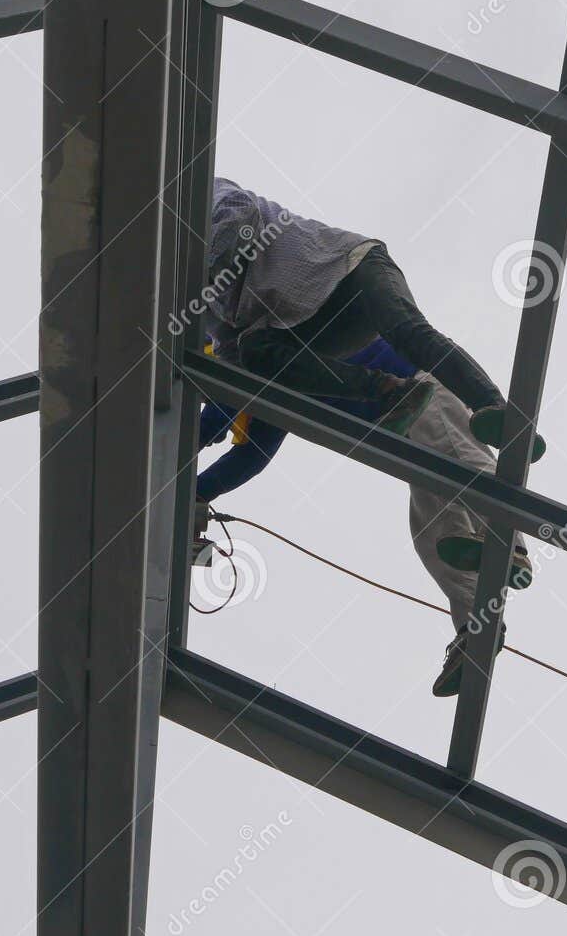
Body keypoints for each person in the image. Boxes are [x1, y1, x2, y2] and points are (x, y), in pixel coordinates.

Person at [193, 336, 531, 698]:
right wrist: (196, 491)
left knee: (463, 465)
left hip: (420, 389)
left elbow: (218, 406)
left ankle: (511, 542)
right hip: (400, 425)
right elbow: (252, 455)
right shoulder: (266, 391)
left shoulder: (247, 353)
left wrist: (177, 470)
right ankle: (475, 623)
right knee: (434, 532)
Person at [204, 177, 546, 460]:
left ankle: (495, 408)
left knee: (407, 330)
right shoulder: (203, 305)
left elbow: (238, 212)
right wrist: (215, 410)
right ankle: (391, 392)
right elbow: (237, 361)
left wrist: (203, 273)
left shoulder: (196, 201)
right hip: (318, 321)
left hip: (349, 267)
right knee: (255, 353)